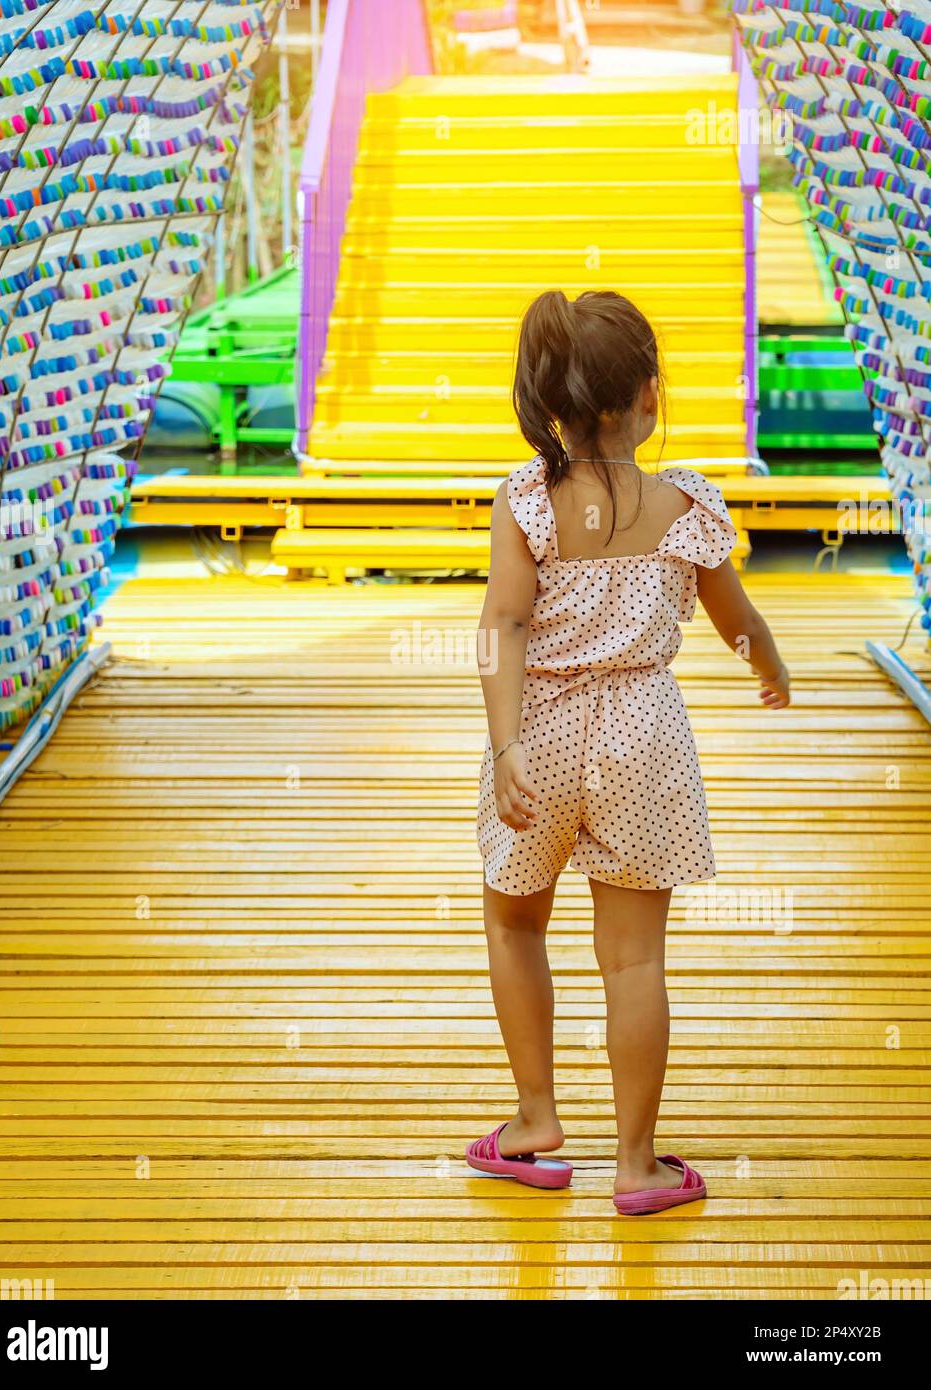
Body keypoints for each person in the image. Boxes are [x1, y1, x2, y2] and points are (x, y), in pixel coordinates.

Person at [467, 290, 790, 1214]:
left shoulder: (526, 499)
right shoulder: (686, 503)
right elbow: (737, 618)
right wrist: (768, 666)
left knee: (514, 923)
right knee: (636, 960)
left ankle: (535, 1123)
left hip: (542, 734)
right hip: (645, 737)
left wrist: (506, 743)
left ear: (552, 401)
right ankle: (638, 1165)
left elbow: (503, 624)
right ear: (650, 396)